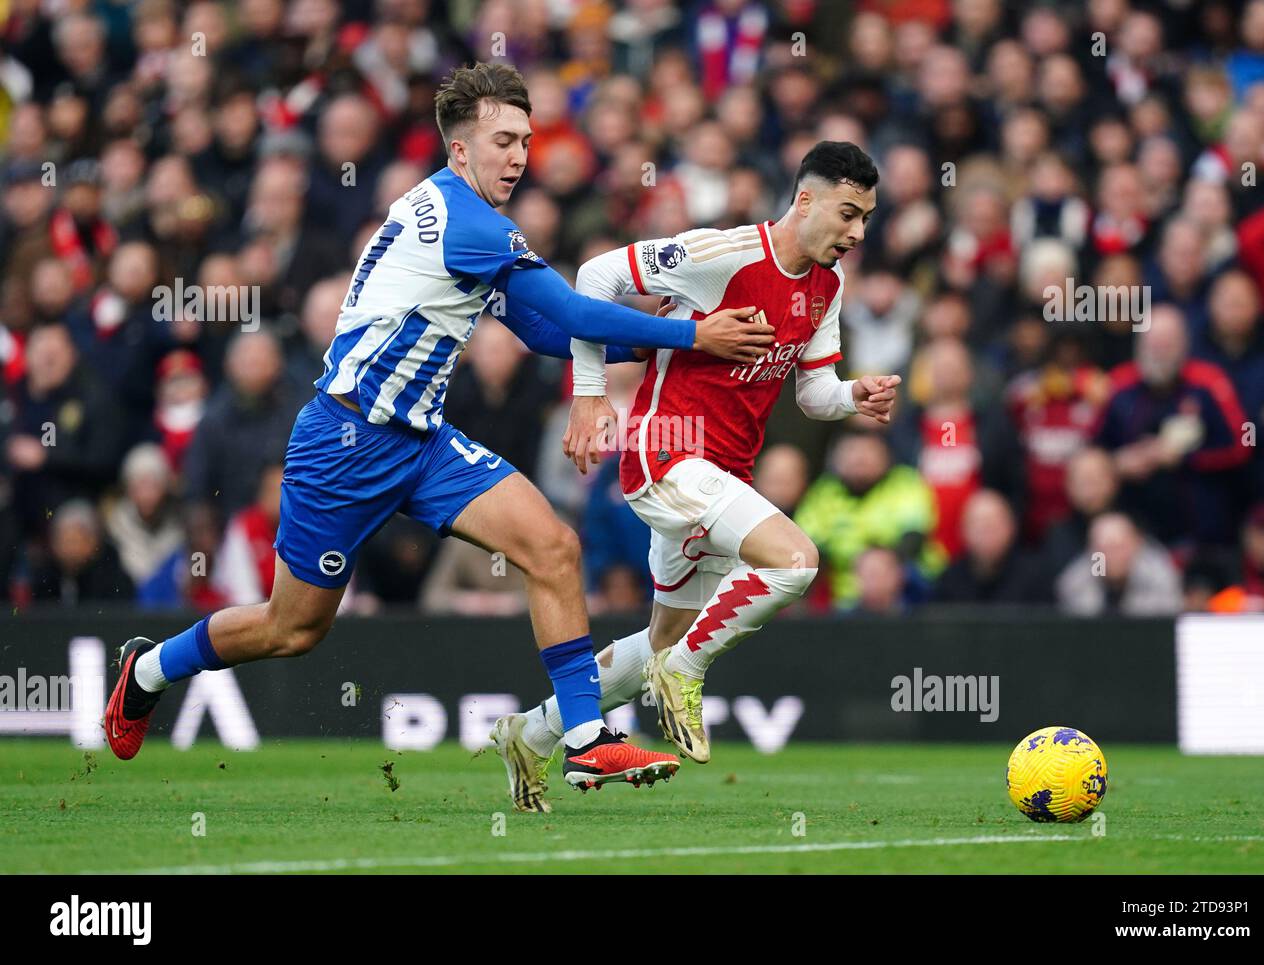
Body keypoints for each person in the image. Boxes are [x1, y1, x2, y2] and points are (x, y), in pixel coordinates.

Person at [103, 62, 772, 801]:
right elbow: (577, 316)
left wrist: (652, 345)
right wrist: (695, 335)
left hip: (420, 443)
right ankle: (150, 668)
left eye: (525, 140)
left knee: (550, 546)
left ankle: (586, 737)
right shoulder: (471, 223)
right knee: (292, 628)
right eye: (503, 141)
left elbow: (542, 332)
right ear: (461, 149)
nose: (518, 156)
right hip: (345, 441)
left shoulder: (460, 211)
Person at [496, 141, 900, 811]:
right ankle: (684, 672)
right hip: (666, 457)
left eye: (867, 220)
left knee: (663, 635)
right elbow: (596, 275)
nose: (858, 233)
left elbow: (813, 392)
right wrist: (591, 392)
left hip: (721, 477)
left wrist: (855, 396)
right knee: (796, 562)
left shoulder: (827, 286)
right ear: (806, 200)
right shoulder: (724, 255)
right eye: (849, 214)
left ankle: (531, 734)